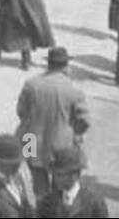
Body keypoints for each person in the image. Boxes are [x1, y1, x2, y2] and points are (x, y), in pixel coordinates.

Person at [15, 46, 90, 196]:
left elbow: (21, 111)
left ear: (48, 64)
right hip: (62, 144)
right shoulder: (73, 90)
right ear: (65, 66)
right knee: (60, 182)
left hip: (30, 141)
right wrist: (76, 133)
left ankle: (42, 207)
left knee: (38, 180)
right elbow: (84, 121)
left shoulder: (31, 84)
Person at [37, 146, 110, 218]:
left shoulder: (94, 202)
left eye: (59, 175)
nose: (55, 179)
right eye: (54, 174)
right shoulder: (48, 202)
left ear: (74, 176)